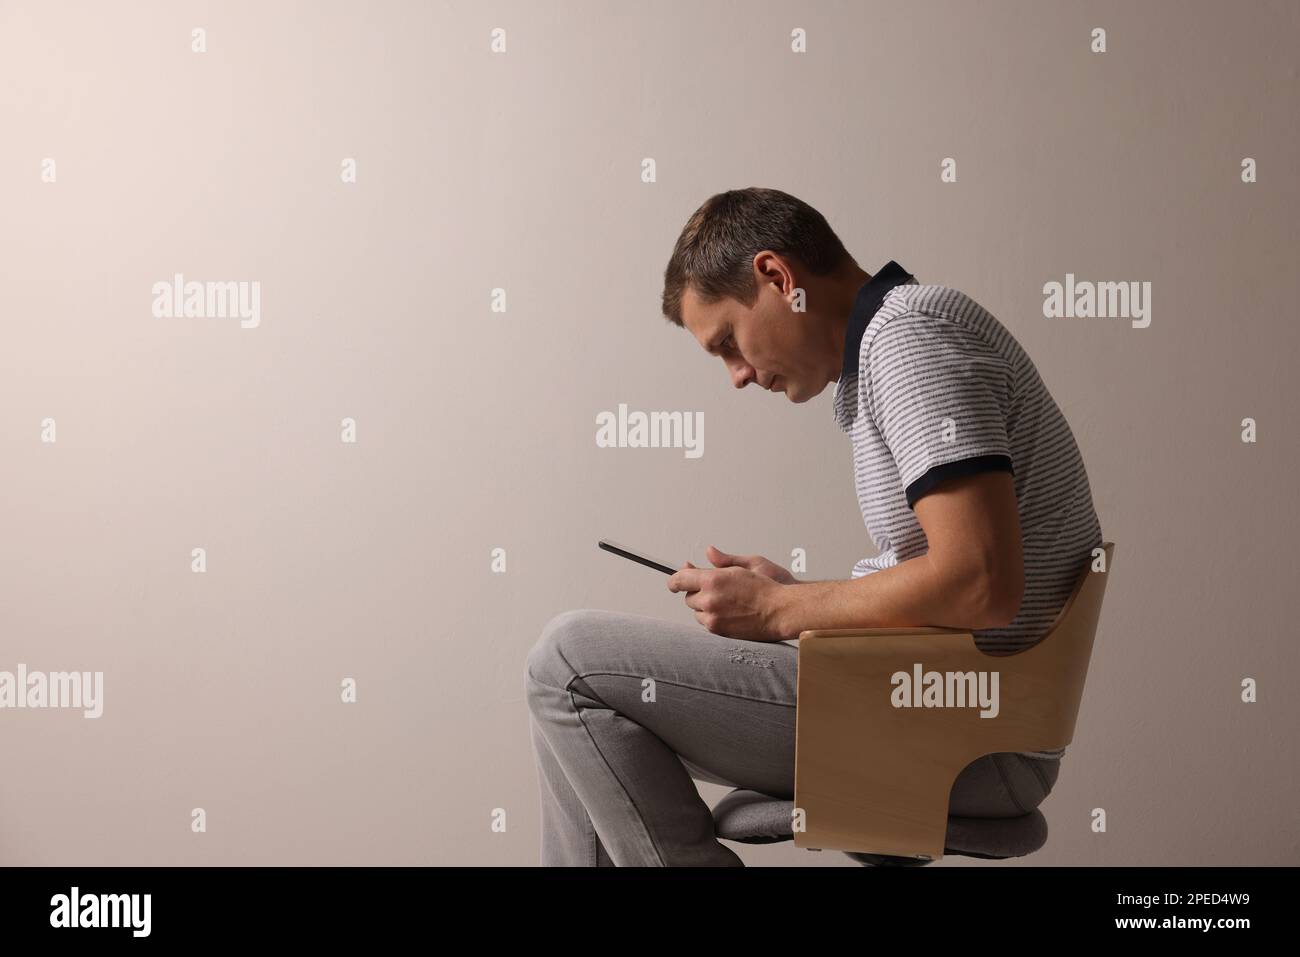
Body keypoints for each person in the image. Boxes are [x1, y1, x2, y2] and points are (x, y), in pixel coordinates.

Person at [525, 187, 1103, 866]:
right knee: (568, 691)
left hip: (964, 729)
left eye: (728, 343)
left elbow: (981, 583)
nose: (736, 376)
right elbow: (961, 577)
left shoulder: (908, 339)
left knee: (565, 661)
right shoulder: (895, 344)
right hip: (953, 711)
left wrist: (781, 609)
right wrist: (801, 597)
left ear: (776, 278)